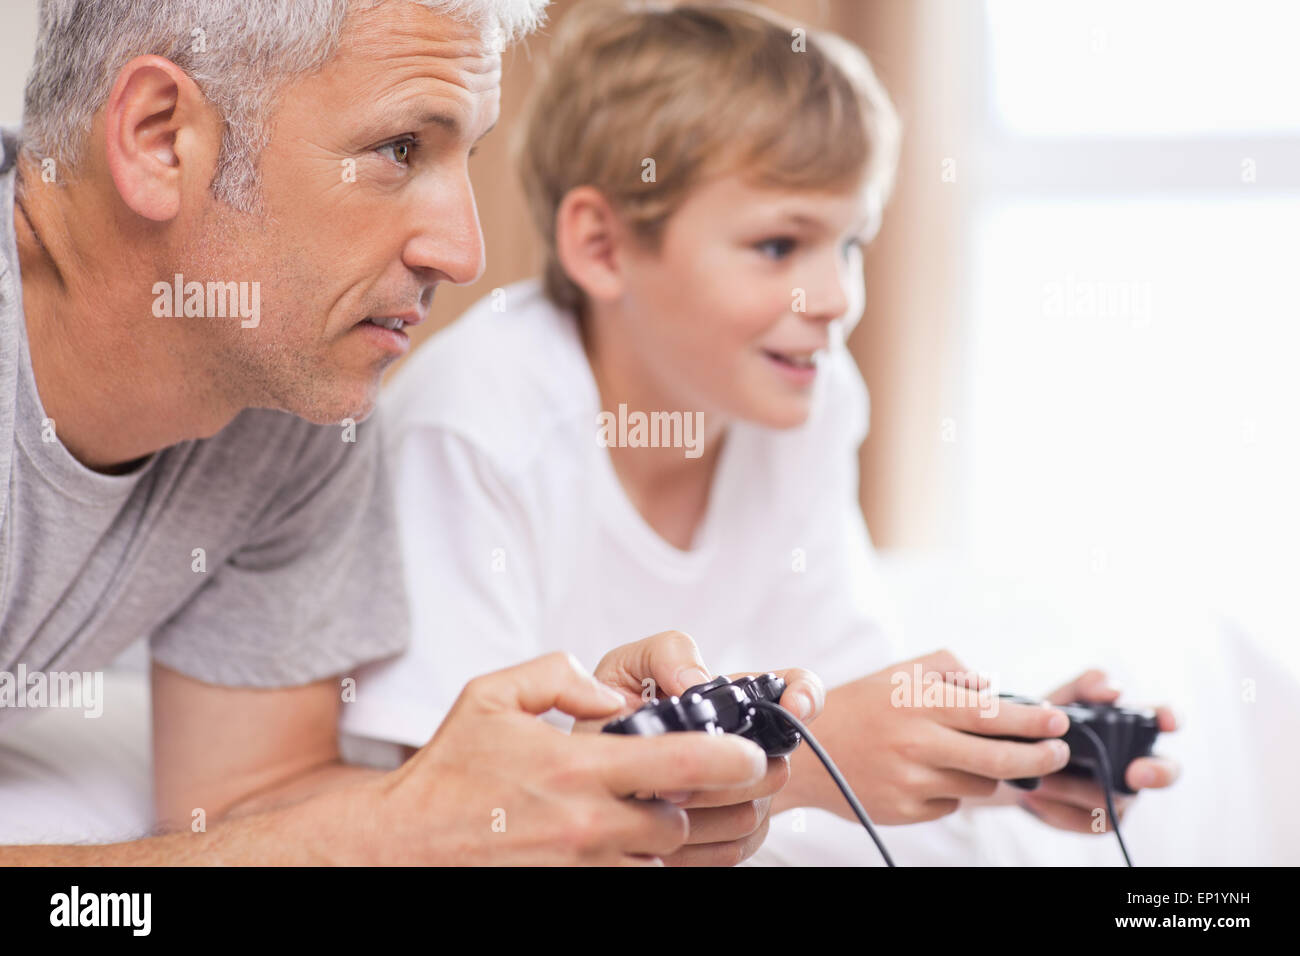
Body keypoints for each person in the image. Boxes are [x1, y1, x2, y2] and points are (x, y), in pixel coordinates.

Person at [340, 0, 1180, 864]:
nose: (839, 297)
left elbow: (845, 696)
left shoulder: (810, 403)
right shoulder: (477, 421)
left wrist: (1000, 757)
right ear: (601, 245)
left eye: (851, 243)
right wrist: (814, 769)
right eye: (781, 246)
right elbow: (460, 821)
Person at [0, 0, 819, 866]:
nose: (463, 253)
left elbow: (244, 797)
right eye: (399, 151)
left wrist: (564, 788)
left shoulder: (291, 396)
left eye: (465, 155)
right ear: (162, 137)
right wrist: (373, 836)